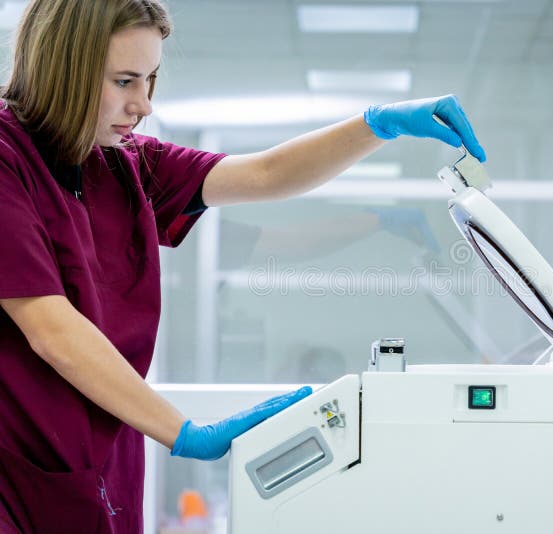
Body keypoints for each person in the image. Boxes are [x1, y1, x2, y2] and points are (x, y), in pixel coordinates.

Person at [0, 0, 486, 531]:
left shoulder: (124, 162)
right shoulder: (7, 159)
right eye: (124, 81)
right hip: (18, 466)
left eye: (150, 80)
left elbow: (265, 175)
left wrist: (377, 125)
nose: (143, 105)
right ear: (63, 67)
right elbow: (51, 328)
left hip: (101, 462)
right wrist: (186, 433)